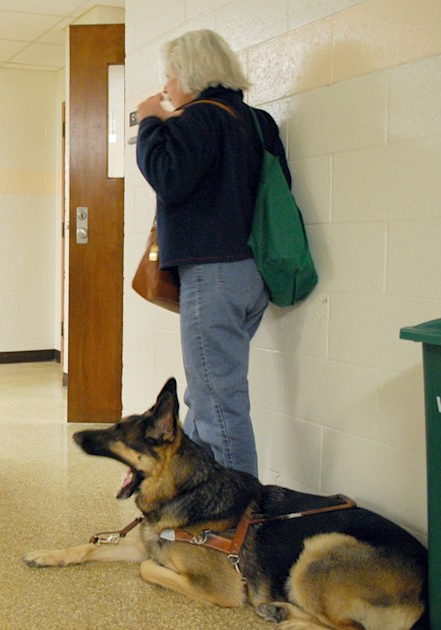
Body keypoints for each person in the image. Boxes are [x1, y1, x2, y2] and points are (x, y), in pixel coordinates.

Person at [134, 29, 293, 479]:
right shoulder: (258, 121)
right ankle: (200, 502)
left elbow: (167, 176)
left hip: (213, 277)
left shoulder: (197, 119)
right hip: (251, 277)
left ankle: (240, 518)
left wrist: (150, 122)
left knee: (219, 405)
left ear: (189, 73)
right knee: (205, 398)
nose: (165, 87)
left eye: (169, 75)